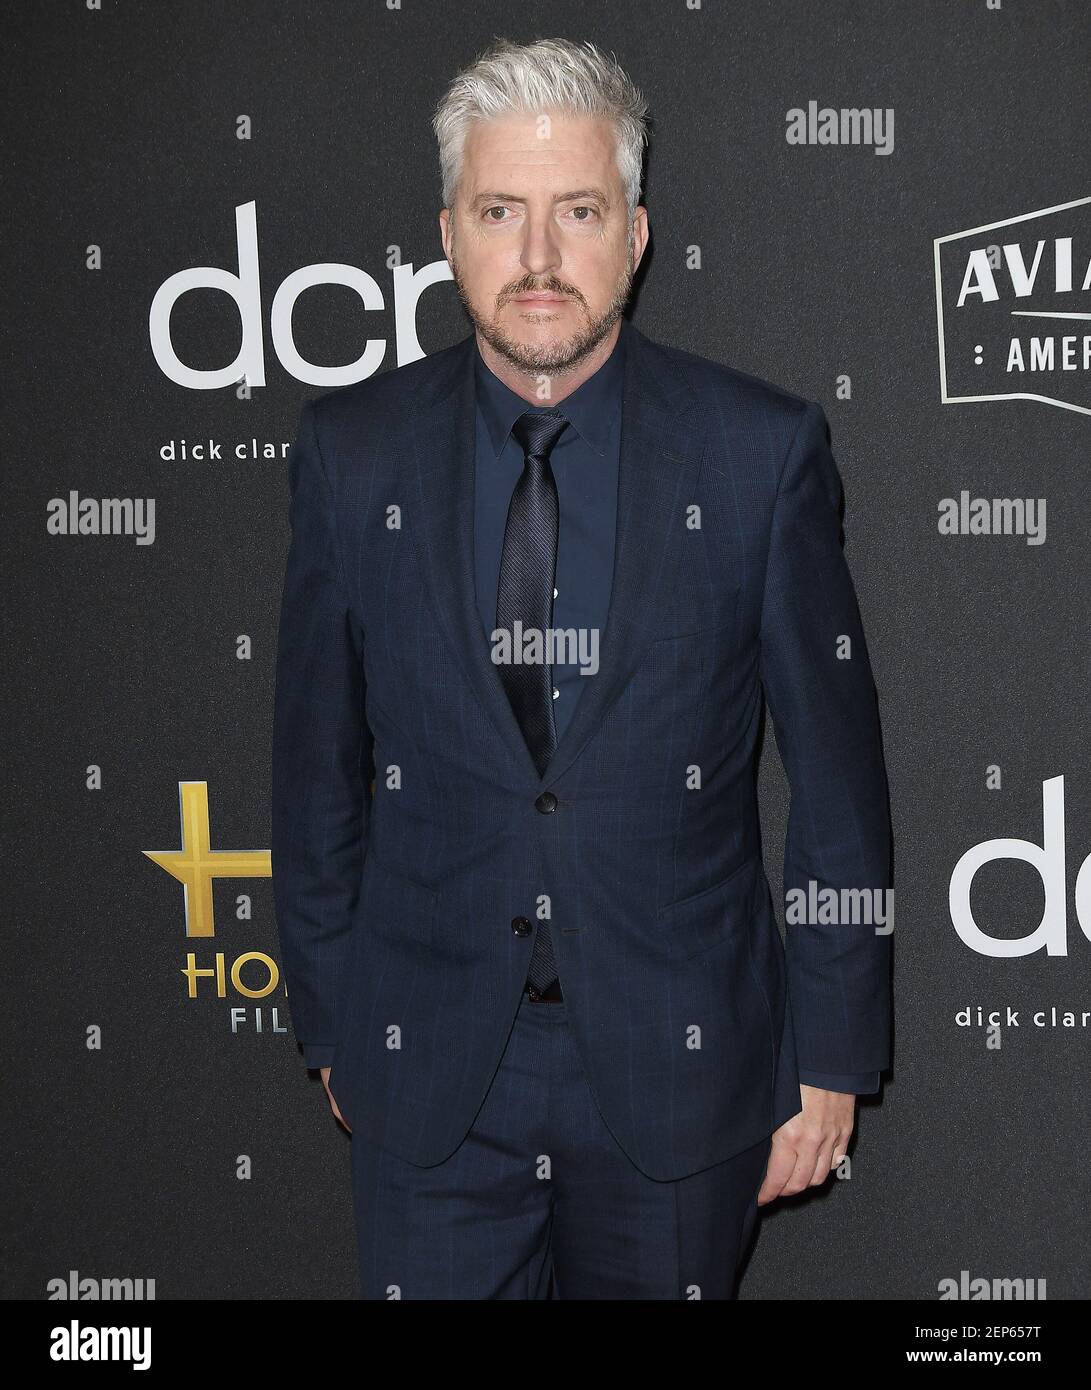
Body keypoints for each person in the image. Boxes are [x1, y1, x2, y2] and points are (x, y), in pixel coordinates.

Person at [271, 36, 892, 1300]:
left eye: (578, 213)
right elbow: (313, 765)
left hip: (682, 1073)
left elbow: (835, 780)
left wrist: (826, 1053)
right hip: (429, 1073)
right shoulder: (353, 454)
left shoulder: (757, 453)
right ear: (448, 232)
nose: (539, 258)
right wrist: (336, 1018)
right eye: (501, 212)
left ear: (637, 233)